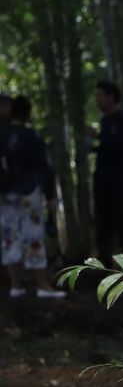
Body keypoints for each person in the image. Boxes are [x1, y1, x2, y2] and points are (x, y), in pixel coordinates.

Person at [1, 95, 65, 299]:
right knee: (34, 236)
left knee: (10, 237)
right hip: (29, 191)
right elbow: (44, 167)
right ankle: (41, 285)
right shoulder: (32, 137)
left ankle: (16, 285)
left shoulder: (3, 135)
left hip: (7, 193)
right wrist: (50, 195)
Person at [93, 80, 123, 265]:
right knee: (103, 226)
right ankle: (103, 266)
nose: (97, 100)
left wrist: (103, 144)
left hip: (118, 183)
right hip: (102, 182)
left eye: (100, 96)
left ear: (111, 96)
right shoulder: (105, 121)